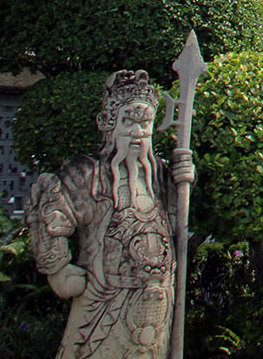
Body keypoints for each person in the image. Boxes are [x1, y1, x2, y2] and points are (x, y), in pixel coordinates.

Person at [29, 70, 194, 359]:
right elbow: (51, 213)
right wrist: (58, 270)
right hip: (106, 303)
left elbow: (179, 226)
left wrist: (184, 181)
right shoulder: (89, 175)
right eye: (129, 122)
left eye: (145, 124)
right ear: (109, 123)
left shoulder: (161, 177)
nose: (138, 132)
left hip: (157, 302)